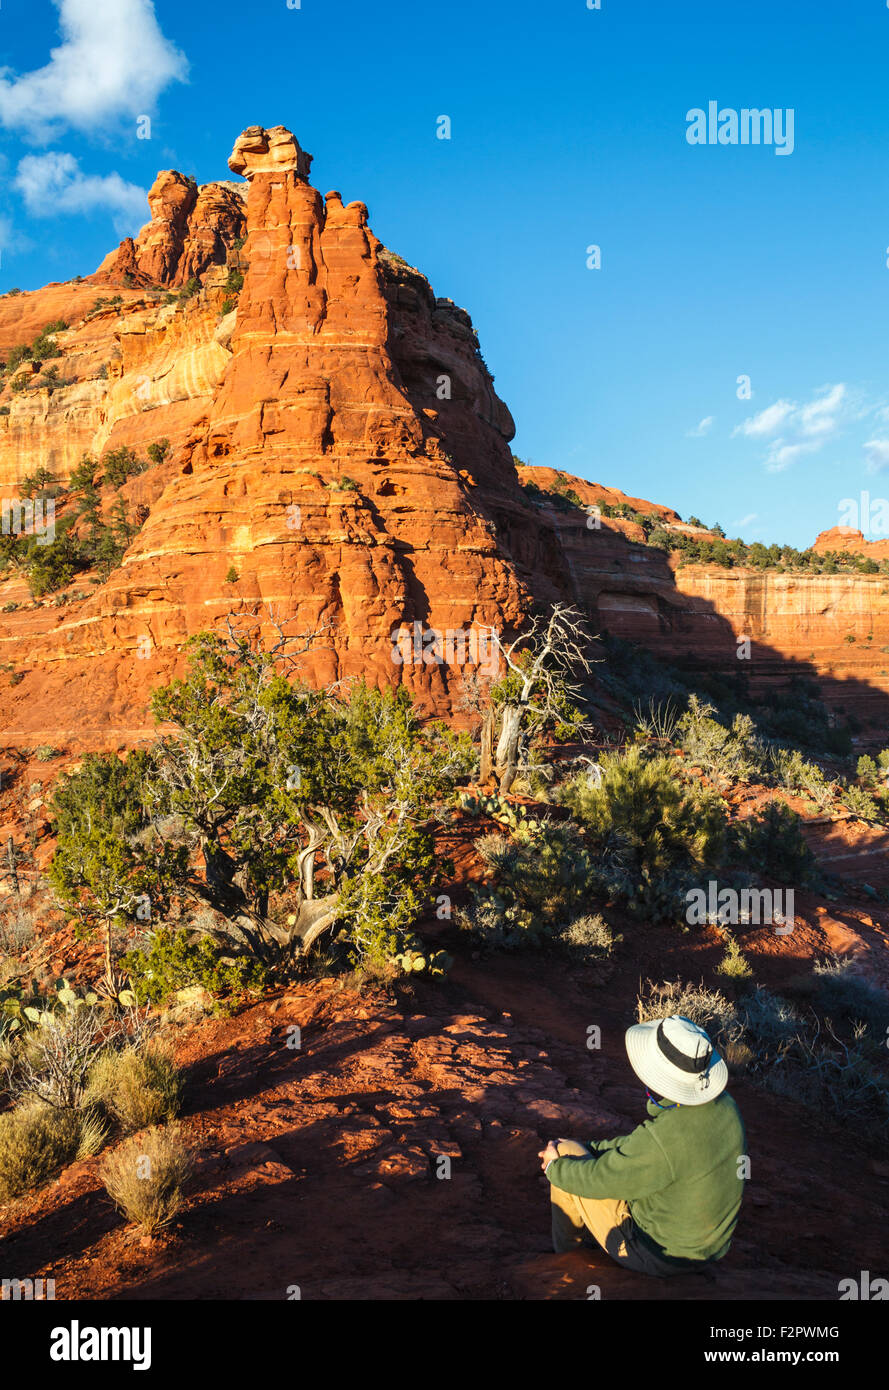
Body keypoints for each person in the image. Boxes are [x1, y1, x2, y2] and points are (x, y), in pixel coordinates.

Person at [539, 1014, 746, 1276]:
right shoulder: (725, 1107)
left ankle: (568, 1261)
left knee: (567, 1154)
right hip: (704, 1251)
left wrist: (555, 1167)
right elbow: (639, 1148)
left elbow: (602, 1180)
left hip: (659, 1255)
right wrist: (592, 1147)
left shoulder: (669, 1134)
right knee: (579, 1152)